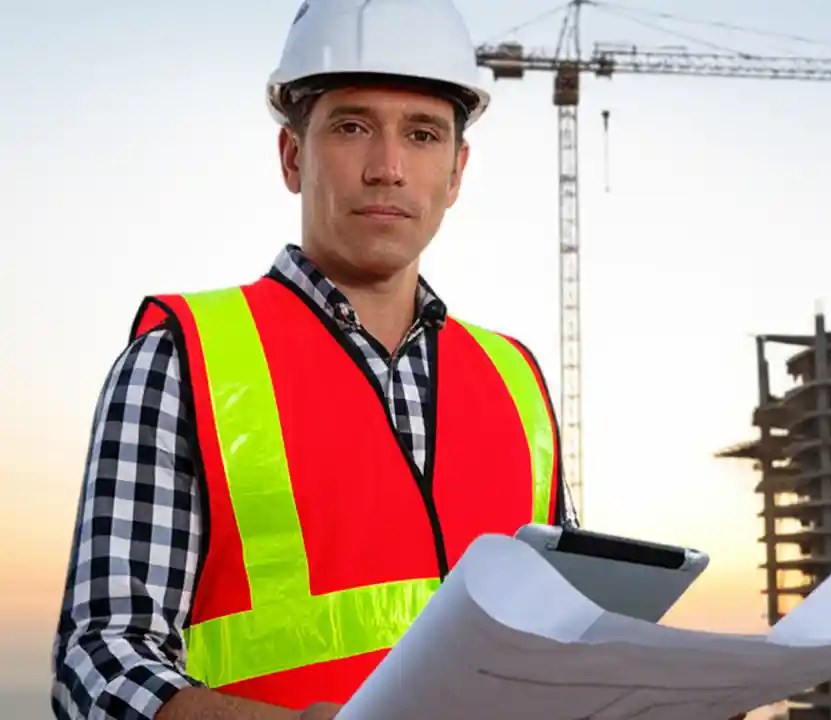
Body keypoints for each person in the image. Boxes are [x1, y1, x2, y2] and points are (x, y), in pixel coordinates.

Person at [50, 0, 573, 717]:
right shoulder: (182, 360)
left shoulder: (515, 380)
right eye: (353, 127)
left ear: (455, 173)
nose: (388, 168)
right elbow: (99, 663)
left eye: (422, 135)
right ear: (293, 156)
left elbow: (565, 641)